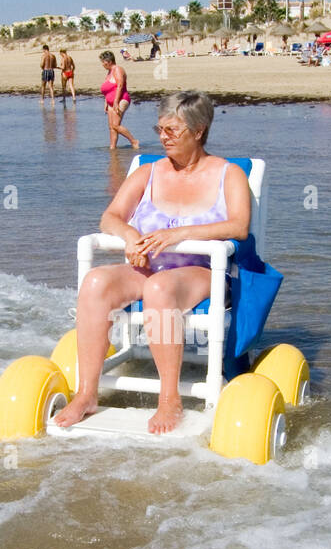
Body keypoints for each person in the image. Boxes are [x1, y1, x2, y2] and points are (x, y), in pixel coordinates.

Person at [53, 90, 251, 434]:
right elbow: (109, 217)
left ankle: (169, 398)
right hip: (149, 268)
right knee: (96, 281)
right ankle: (87, 394)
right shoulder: (149, 172)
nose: (163, 137)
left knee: (160, 287)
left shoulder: (227, 173)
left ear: (199, 130)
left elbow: (239, 226)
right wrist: (130, 236)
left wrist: (180, 234)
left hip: (201, 271)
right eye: (160, 129)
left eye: (172, 131)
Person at [99, 51, 138, 149]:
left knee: (116, 125)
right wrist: (106, 102)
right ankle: (112, 148)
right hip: (110, 102)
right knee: (112, 127)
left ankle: (134, 141)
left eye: (103, 62)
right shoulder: (109, 72)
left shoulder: (117, 69)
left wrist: (116, 102)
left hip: (121, 99)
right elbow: (108, 90)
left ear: (109, 61)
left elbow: (120, 85)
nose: (102, 64)